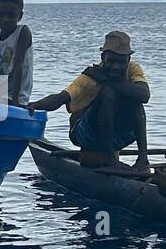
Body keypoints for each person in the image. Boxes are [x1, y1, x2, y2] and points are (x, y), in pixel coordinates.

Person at [30, 29, 150, 176]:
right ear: (103, 57)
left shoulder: (133, 70)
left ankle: (143, 160)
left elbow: (144, 95)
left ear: (128, 60)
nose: (115, 67)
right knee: (107, 92)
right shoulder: (90, 76)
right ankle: (109, 159)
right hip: (84, 134)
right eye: (111, 61)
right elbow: (60, 98)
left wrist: (107, 80)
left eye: (121, 62)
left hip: (115, 137)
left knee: (135, 99)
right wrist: (33, 106)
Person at [0, 0, 32, 107]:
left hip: (18, 95)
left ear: (20, 16)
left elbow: (18, 66)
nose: (6, 19)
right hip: (1, 93)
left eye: (11, 15)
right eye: (1, 15)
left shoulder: (23, 32)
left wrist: (16, 103)